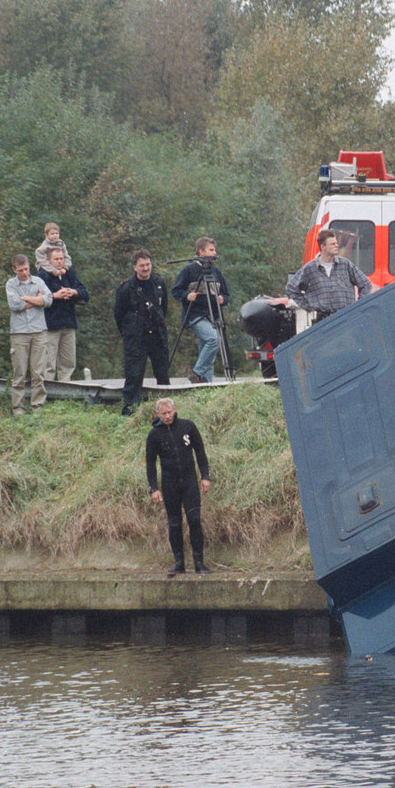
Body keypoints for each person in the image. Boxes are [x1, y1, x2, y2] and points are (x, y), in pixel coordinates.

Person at [145, 397, 211, 575]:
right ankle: (179, 563)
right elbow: (150, 463)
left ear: (174, 410)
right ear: (157, 414)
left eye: (169, 412)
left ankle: (199, 562)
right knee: (174, 523)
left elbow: (200, 451)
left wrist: (205, 476)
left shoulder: (187, 426)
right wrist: (154, 488)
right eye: (163, 413)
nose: (167, 416)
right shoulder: (154, 435)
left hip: (189, 481)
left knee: (194, 519)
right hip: (170, 484)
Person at [113, 248, 170, 415]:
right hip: (136, 337)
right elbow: (119, 314)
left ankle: (166, 409)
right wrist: (129, 332)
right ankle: (130, 410)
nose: (146, 268)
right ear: (134, 267)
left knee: (162, 372)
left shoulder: (159, 282)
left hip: (157, 335)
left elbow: (163, 308)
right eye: (142, 265)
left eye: (148, 264)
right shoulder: (126, 288)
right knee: (134, 375)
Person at [270, 228, 372, 319]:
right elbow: (291, 288)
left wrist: (358, 306)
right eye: (332, 244)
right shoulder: (310, 269)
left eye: (336, 243)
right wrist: (308, 306)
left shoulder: (345, 265)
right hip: (322, 321)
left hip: (345, 318)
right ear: (323, 247)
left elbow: (365, 284)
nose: (337, 246)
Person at [171, 236, 232, 383]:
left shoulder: (216, 272)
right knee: (213, 339)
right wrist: (187, 296)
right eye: (211, 250)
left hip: (213, 317)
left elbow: (227, 294)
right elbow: (176, 291)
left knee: (207, 350)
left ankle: (205, 384)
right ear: (201, 252)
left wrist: (223, 299)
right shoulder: (189, 270)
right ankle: (197, 373)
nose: (215, 253)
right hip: (195, 316)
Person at [5, 255, 53, 415]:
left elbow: (48, 300)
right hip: (19, 333)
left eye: (26, 269)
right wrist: (36, 300)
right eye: (20, 270)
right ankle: (18, 407)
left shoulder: (38, 281)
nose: (24, 273)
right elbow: (15, 304)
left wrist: (26, 298)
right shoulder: (11, 284)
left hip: (39, 331)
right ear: (14, 270)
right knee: (19, 372)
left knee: (38, 372)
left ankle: (38, 405)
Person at [36, 246, 89, 382]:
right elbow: (38, 299)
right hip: (50, 325)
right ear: (49, 260)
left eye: (61, 259)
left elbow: (85, 293)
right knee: (48, 363)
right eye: (56, 259)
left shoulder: (69, 273)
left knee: (68, 362)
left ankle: (66, 388)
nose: (59, 261)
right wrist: (55, 295)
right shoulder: (42, 276)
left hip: (68, 323)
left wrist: (73, 292)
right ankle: (47, 388)